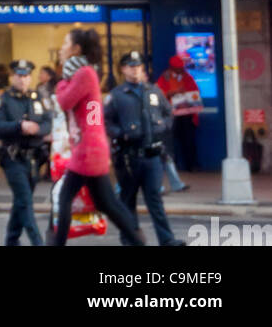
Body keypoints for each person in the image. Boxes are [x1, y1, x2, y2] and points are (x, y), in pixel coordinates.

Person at [47, 28, 147, 246]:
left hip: (88, 149)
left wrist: (61, 82)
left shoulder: (84, 74)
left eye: (65, 43)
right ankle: (139, 241)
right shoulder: (85, 73)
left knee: (64, 199)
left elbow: (64, 101)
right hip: (90, 148)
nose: (62, 49)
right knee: (107, 203)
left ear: (76, 48)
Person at [106, 50, 183, 247]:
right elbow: (105, 122)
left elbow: (168, 113)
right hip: (128, 157)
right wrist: (121, 133)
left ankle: (167, 239)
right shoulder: (116, 95)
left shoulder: (153, 91)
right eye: (132, 67)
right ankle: (130, 240)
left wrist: (162, 126)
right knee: (128, 201)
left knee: (155, 201)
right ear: (124, 69)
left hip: (152, 155)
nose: (136, 71)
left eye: (139, 66)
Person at [0, 59, 51, 246]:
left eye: (26, 76)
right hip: (12, 158)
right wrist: (19, 126)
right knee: (26, 201)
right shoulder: (4, 99)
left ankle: (11, 240)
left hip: (34, 159)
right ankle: (38, 242)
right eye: (19, 75)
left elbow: (48, 122)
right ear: (12, 76)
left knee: (21, 201)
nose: (23, 80)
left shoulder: (37, 97)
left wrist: (38, 129)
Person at [156, 55, 203, 173]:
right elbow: (158, 95)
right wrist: (171, 93)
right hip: (171, 115)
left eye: (181, 68)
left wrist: (190, 99)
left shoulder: (188, 77)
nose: (180, 70)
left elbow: (195, 93)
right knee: (170, 142)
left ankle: (191, 165)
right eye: (177, 68)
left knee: (189, 140)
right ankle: (172, 167)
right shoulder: (164, 78)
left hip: (186, 115)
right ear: (172, 67)